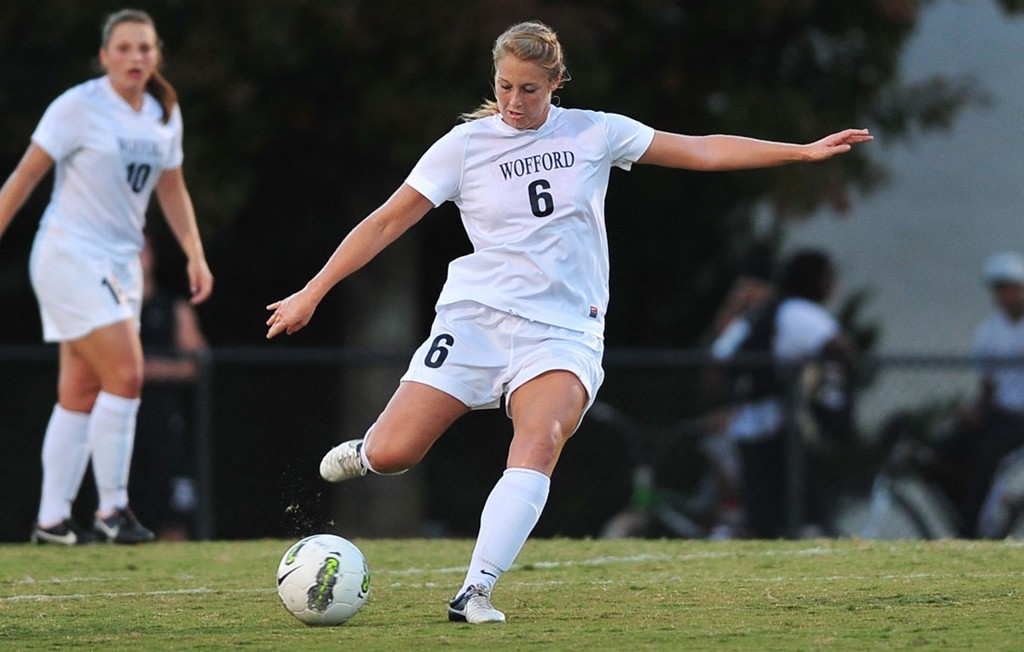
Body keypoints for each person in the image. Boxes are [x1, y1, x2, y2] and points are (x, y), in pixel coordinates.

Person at [265, 21, 870, 622]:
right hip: (475, 319)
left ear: (556, 82)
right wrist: (311, 293)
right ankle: (370, 450)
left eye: (529, 89)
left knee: (540, 440)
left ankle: (475, 591)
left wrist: (801, 150)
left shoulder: (594, 131)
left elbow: (703, 149)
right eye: (504, 87)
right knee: (398, 453)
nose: (514, 102)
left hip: (562, 332)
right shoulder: (465, 145)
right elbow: (385, 222)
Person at [0, 9, 213, 545]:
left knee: (80, 389)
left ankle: (51, 520)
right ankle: (112, 509)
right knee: (128, 372)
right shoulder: (78, 106)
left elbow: (171, 188)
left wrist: (193, 251)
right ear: (104, 56)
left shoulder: (164, 110)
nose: (135, 57)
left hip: (120, 262)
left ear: (156, 54)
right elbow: (26, 176)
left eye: (144, 48)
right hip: (69, 254)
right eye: (123, 48)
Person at [711, 249, 855, 538]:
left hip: (749, 423)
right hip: (772, 426)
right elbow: (842, 348)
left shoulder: (766, 311)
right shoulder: (798, 312)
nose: (833, 286)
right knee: (794, 508)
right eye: (828, 278)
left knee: (766, 511)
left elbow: (720, 354)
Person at [130, 235, 208, 541]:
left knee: (174, 515)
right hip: (118, 426)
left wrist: (143, 370)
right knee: (121, 512)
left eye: (140, 250)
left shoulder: (172, 308)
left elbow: (196, 363)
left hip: (164, 423)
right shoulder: (107, 314)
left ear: (152, 257)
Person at [955, 251, 1024, 535]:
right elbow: (988, 382)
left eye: (1009, 288)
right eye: (999, 289)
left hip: (1020, 420)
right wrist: (976, 410)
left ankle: (974, 527)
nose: (1004, 295)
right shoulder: (990, 330)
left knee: (988, 456)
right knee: (952, 448)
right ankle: (960, 514)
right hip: (999, 413)